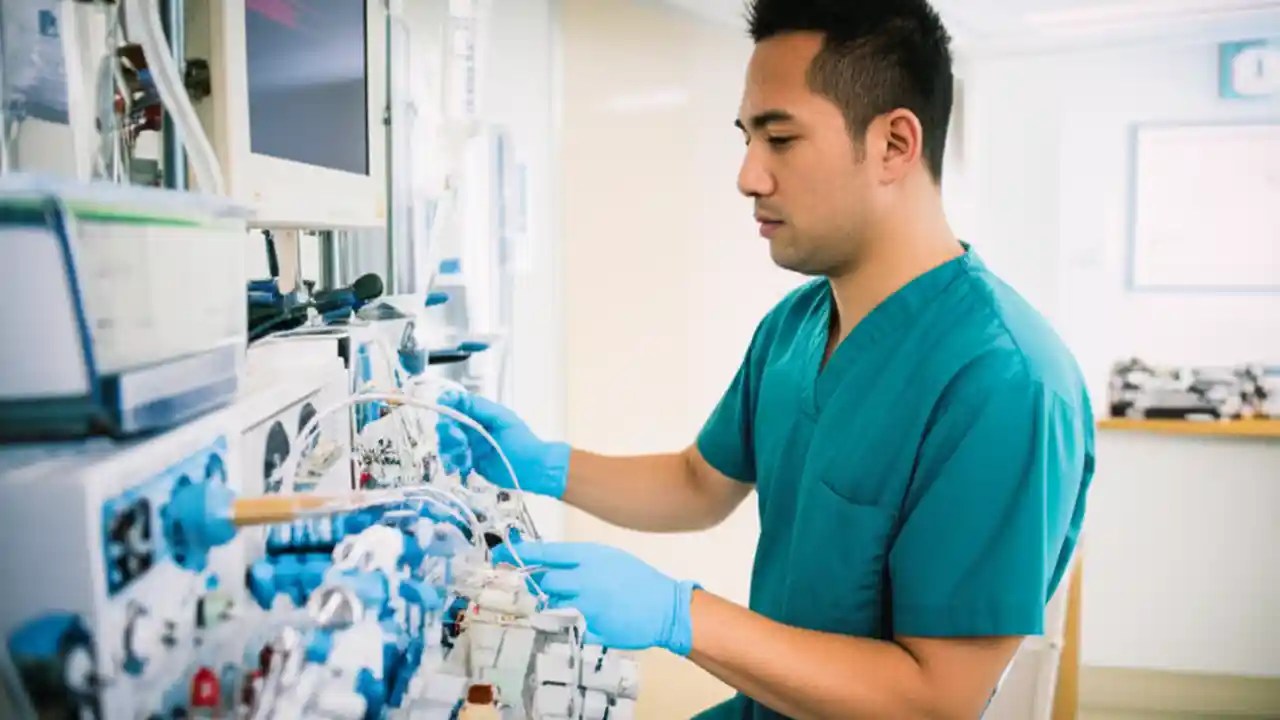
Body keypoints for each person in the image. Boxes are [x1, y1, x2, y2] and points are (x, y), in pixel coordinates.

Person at [436, 0, 1095, 717]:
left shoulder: (1004, 381)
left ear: (894, 145)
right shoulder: (799, 324)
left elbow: (935, 700)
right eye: (748, 138)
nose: (748, 176)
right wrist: (540, 463)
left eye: (780, 139)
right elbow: (699, 482)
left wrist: (680, 616)